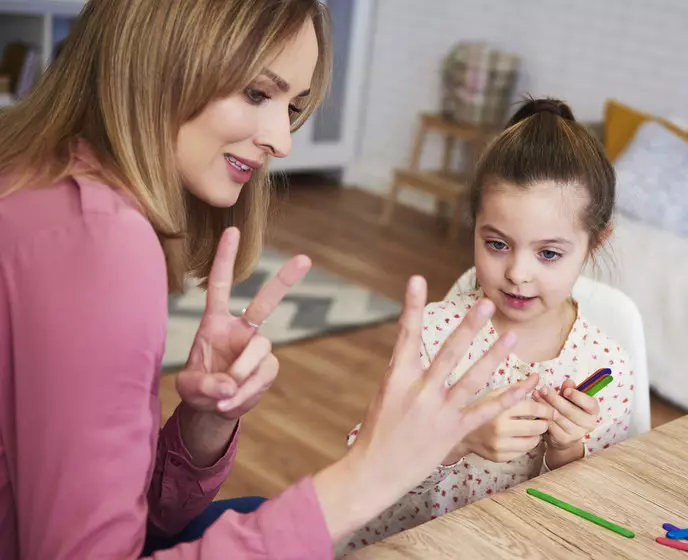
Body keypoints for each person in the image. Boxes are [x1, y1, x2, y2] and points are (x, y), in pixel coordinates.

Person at [0, 1, 541, 558]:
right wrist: (367, 477)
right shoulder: (99, 242)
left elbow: (136, 522)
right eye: (258, 93)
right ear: (160, 57)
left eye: (292, 106)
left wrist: (204, 425)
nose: (282, 141)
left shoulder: (38, 177)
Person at [337, 98, 637, 555]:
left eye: (548, 254)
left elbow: (592, 517)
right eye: (497, 244)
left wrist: (566, 453)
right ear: (474, 224)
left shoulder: (606, 367)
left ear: (595, 243)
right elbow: (362, 463)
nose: (517, 272)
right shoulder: (439, 333)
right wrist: (461, 437)